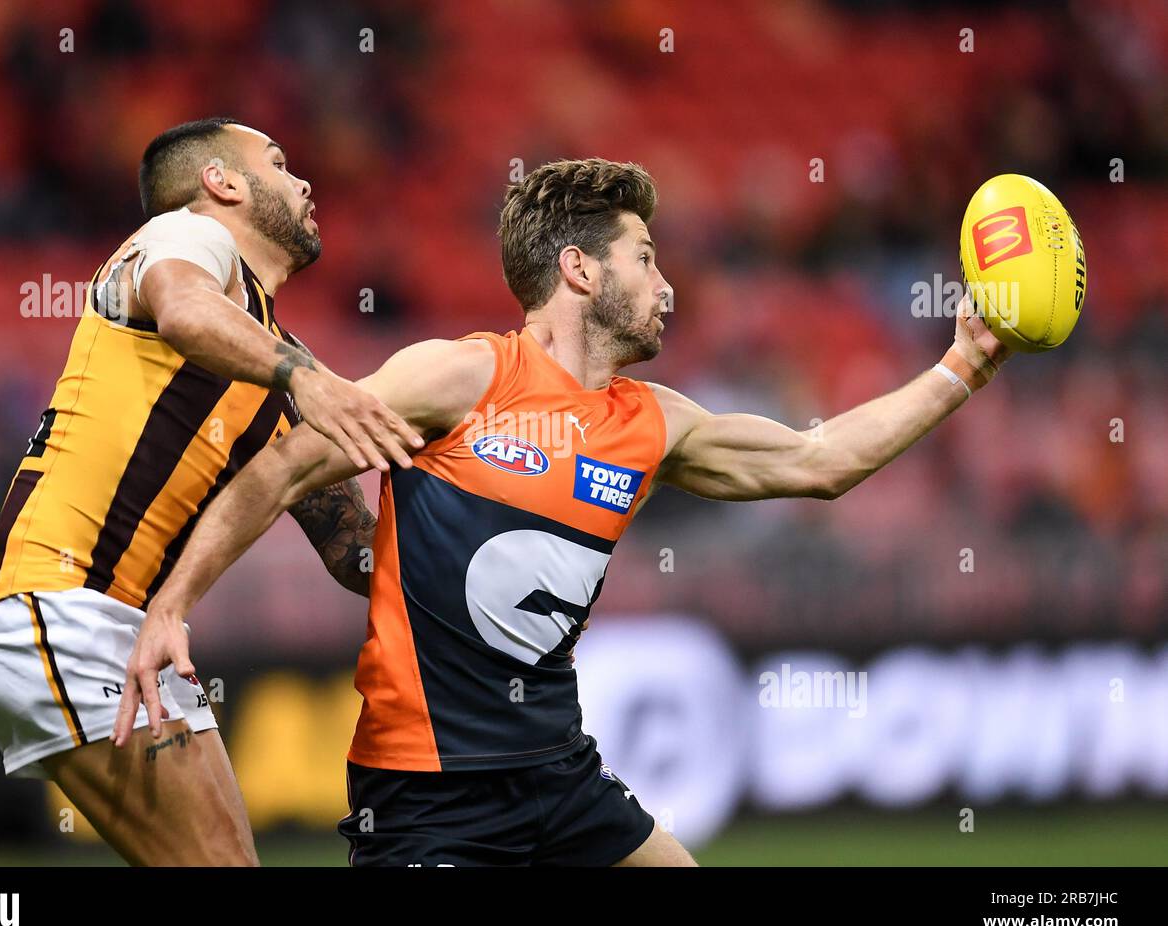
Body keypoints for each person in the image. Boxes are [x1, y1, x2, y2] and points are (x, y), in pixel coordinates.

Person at [114, 158, 1010, 866]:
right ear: (579, 268)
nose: (667, 284)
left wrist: (961, 368)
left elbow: (821, 462)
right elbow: (280, 470)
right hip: (430, 794)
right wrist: (172, 606)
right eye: (646, 257)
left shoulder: (653, 422)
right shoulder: (461, 377)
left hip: (560, 775)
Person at [0, 118, 420, 866]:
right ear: (222, 183)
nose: (304, 182)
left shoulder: (274, 355)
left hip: (124, 634)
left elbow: (351, 549)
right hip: (59, 607)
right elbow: (182, 307)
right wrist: (307, 378)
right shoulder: (185, 238)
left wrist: (475, 566)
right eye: (277, 161)